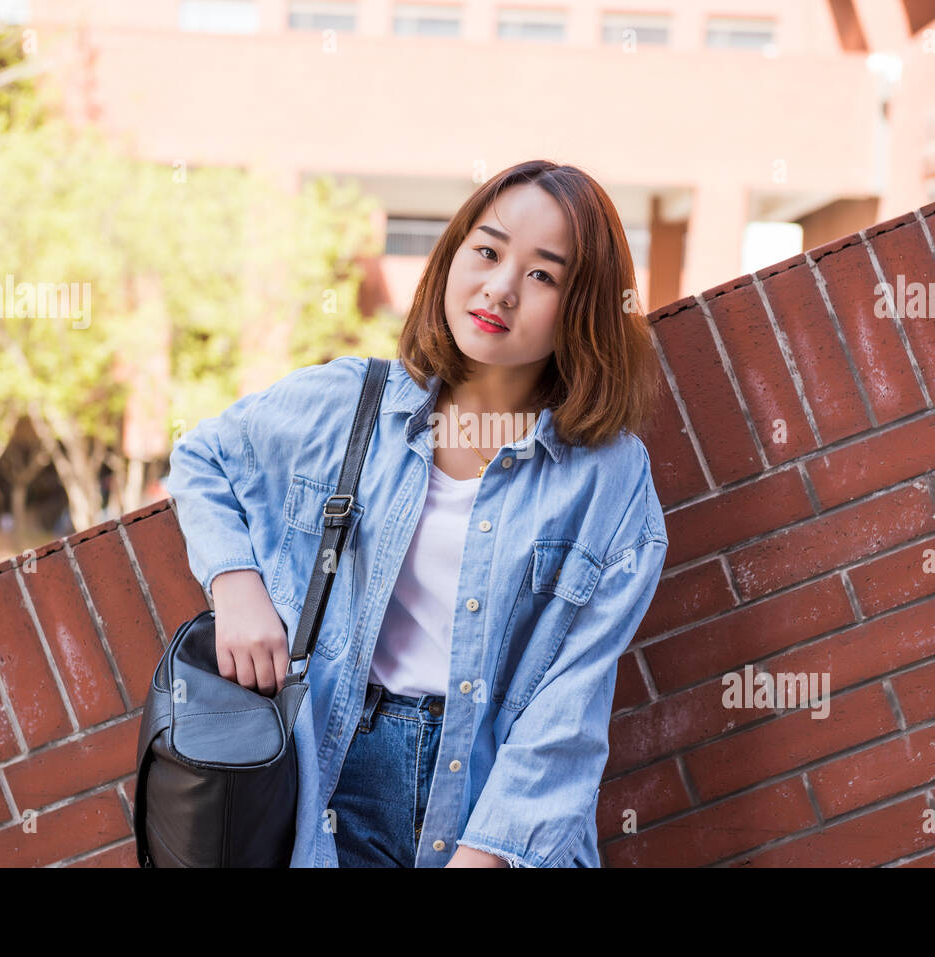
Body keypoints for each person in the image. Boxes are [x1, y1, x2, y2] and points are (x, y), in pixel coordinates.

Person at [166, 160, 669, 868]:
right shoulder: (351, 404)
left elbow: (569, 707)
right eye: (488, 251)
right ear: (453, 253)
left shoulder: (606, 476)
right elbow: (202, 457)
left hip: (496, 797)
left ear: (583, 305)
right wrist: (235, 584)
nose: (500, 287)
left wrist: (488, 852)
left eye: (543, 275)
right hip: (338, 781)